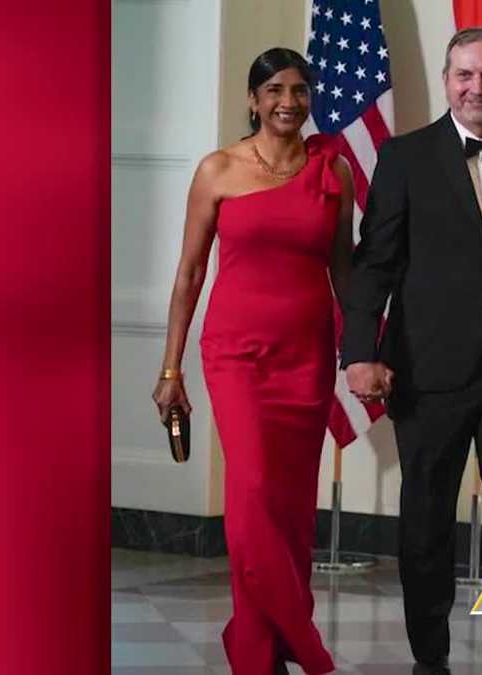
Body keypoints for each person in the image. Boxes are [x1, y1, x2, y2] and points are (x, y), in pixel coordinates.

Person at [341, 28, 482, 675]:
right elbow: (375, 262)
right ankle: (431, 657)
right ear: (448, 82)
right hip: (428, 364)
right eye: (464, 76)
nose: (477, 87)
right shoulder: (406, 158)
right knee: (426, 519)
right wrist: (360, 350)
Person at [152, 48, 353, 675]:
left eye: (299, 89)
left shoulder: (335, 170)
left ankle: (259, 647)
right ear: (252, 99)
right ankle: (306, 646)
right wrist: (170, 369)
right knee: (252, 494)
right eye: (274, 90)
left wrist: (368, 353)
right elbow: (188, 273)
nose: (288, 102)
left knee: (290, 506)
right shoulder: (218, 170)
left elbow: (344, 267)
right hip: (236, 354)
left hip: (309, 354)